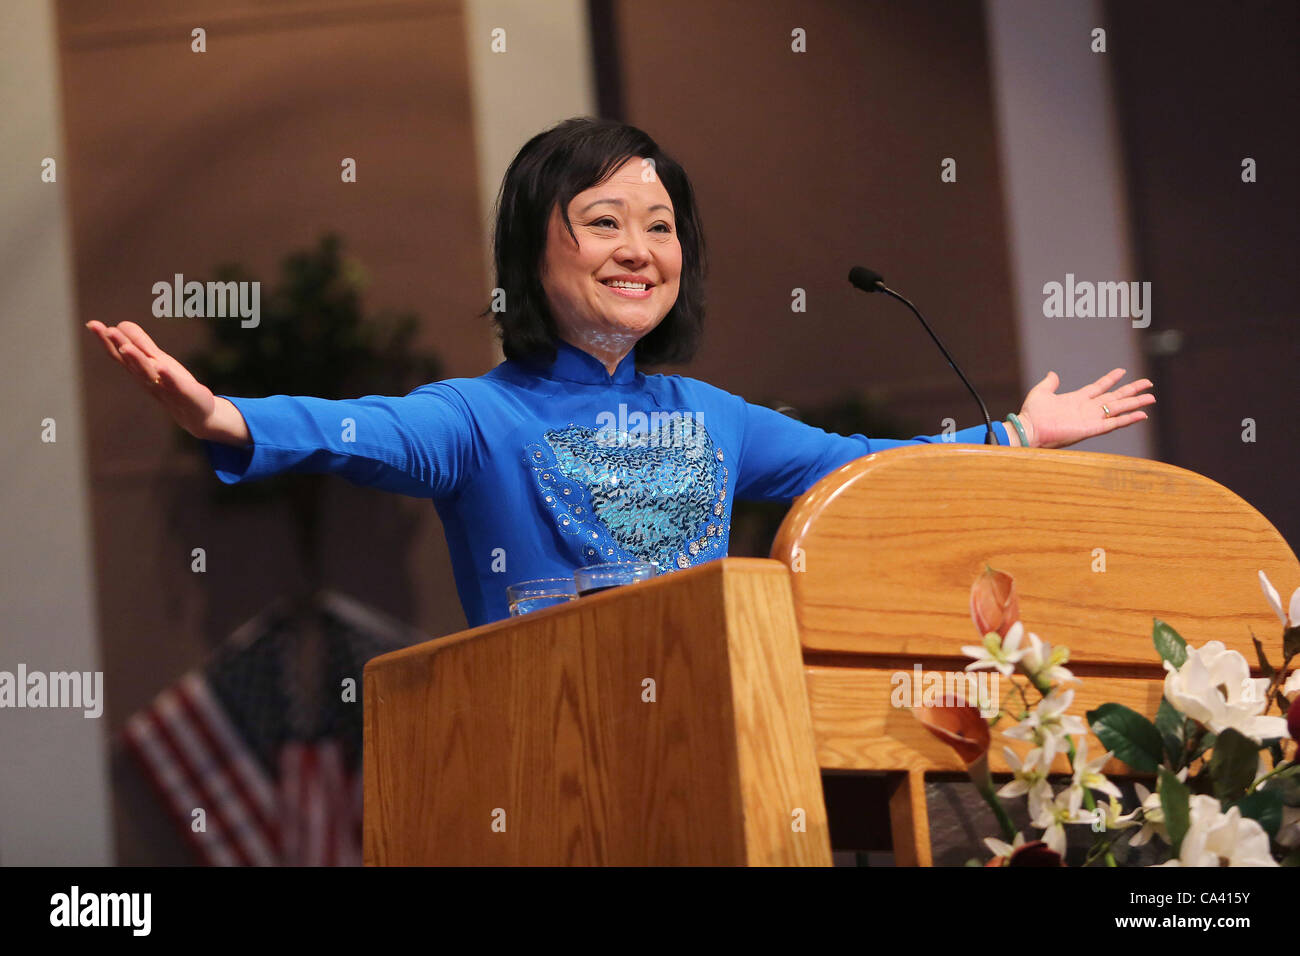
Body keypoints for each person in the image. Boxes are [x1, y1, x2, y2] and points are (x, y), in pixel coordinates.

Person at [87, 117, 1155, 628]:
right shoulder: (474, 418)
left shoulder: (717, 419)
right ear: (532, 253)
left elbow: (867, 471)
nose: (638, 247)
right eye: (602, 221)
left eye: (659, 224)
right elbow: (358, 429)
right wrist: (225, 414)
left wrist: (1013, 436)